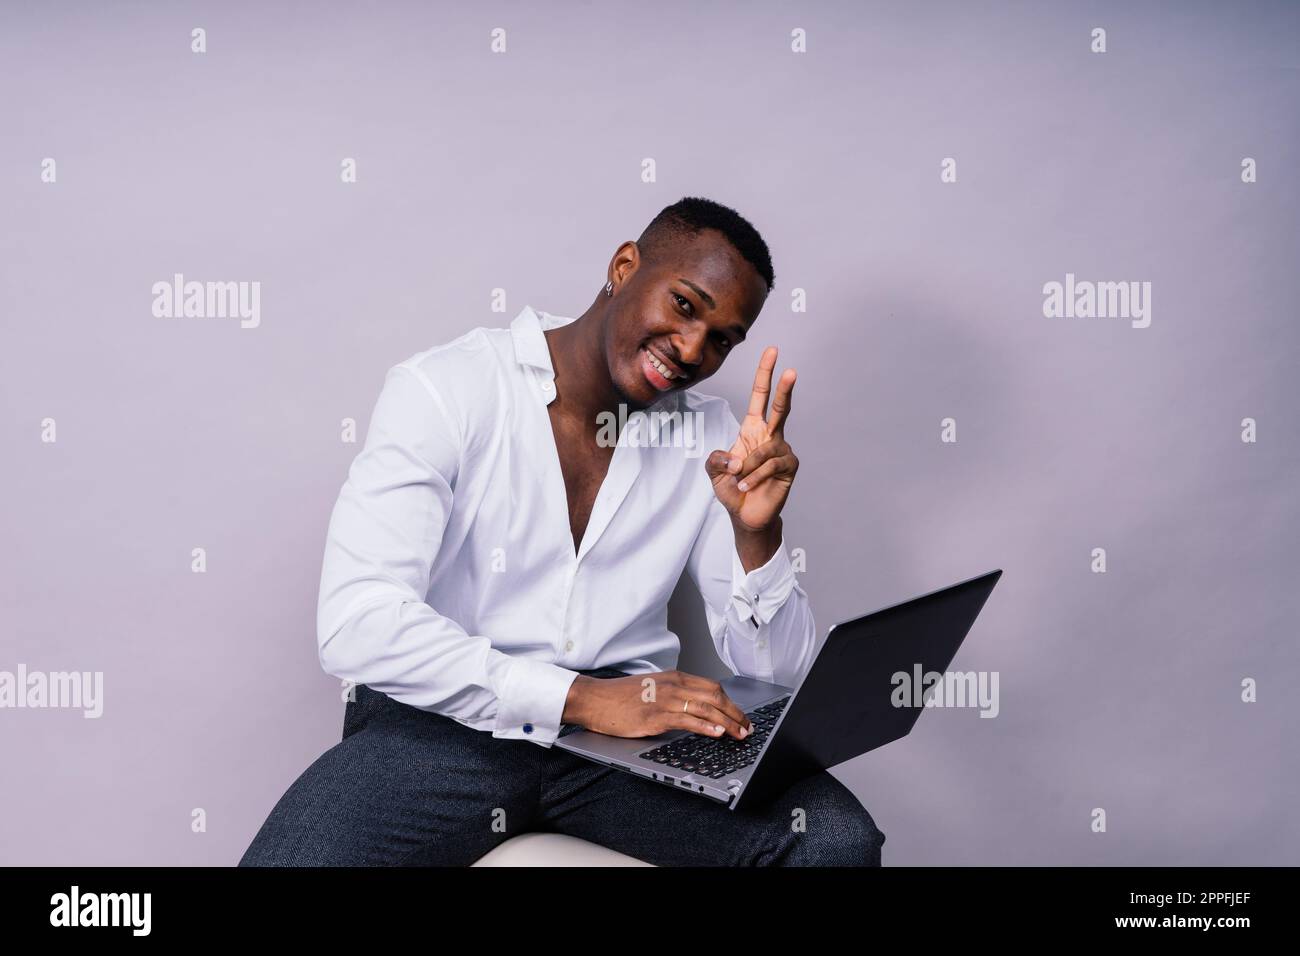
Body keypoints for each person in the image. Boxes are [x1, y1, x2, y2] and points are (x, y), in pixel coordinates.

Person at [239, 197, 885, 866]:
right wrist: (580, 699)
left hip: (621, 752)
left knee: (834, 841)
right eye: (686, 306)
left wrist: (759, 536)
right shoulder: (448, 391)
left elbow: (777, 674)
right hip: (444, 727)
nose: (693, 349)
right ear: (624, 267)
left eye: (722, 338)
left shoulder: (713, 439)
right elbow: (358, 621)